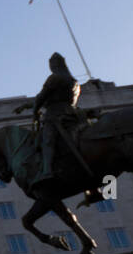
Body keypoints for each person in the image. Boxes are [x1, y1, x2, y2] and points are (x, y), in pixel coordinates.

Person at [14, 52, 85, 185]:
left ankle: (47, 170)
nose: (51, 67)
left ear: (55, 65)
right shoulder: (74, 81)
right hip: (72, 114)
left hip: (56, 115)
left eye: (52, 64)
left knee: (47, 141)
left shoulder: (55, 78)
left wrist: (34, 111)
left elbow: (42, 98)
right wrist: (26, 105)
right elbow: (51, 99)